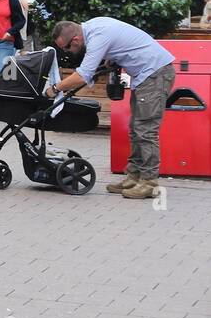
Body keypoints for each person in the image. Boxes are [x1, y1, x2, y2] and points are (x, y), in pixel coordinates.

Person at [51, 20, 176, 199]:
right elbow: (120, 42)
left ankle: (149, 182)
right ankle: (134, 177)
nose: (67, 51)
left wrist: (55, 88)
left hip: (155, 75)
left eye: (67, 47)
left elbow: (82, 76)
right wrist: (112, 57)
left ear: (76, 39)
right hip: (147, 76)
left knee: (145, 130)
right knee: (136, 129)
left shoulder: (97, 37)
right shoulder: (95, 28)